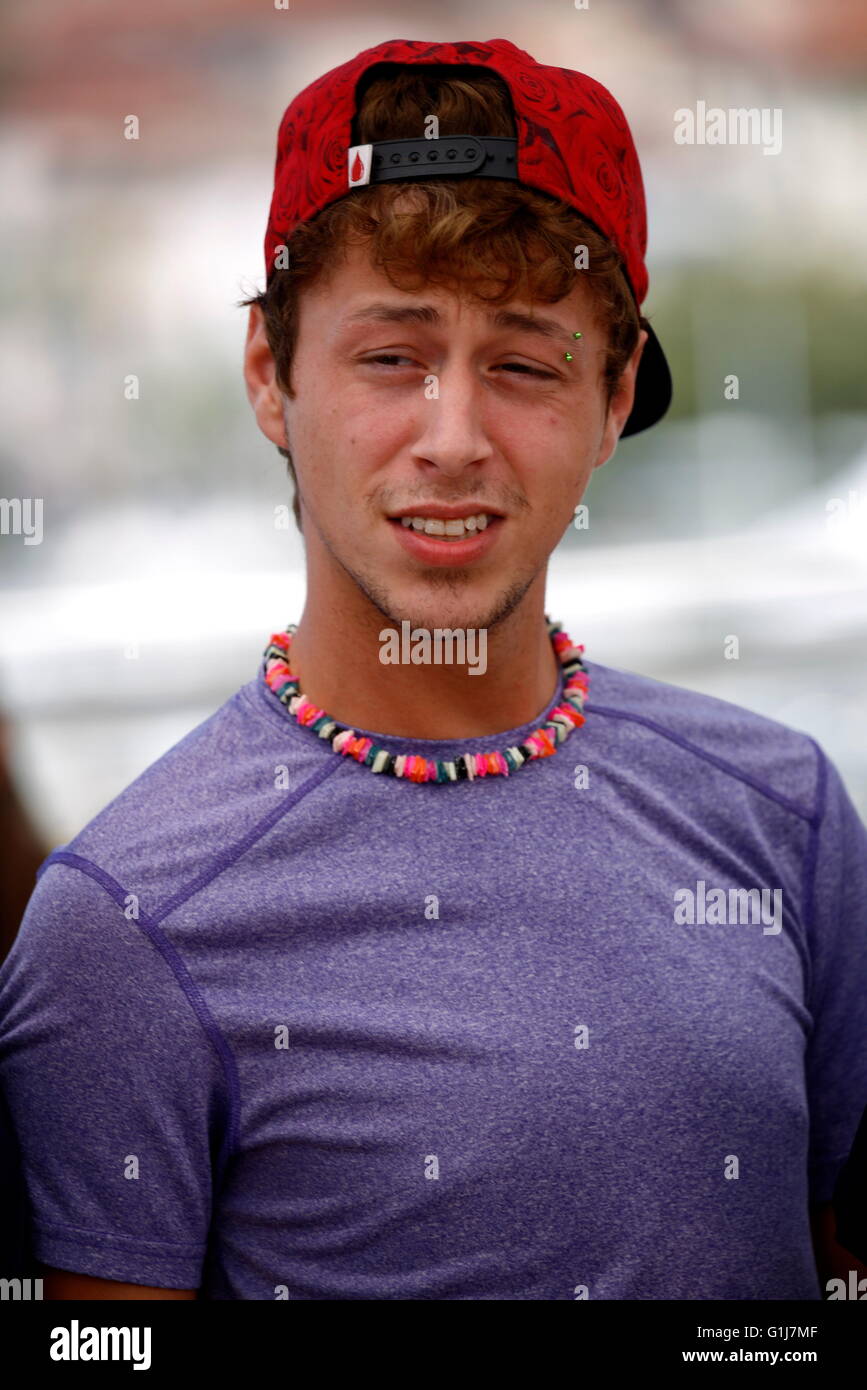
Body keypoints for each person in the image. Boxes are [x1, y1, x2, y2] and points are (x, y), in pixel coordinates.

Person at [1, 37, 866, 1302]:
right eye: (390, 357)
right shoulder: (122, 925)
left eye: (525, 364)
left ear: (618, 394)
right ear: (269, 377)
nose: (453, 439)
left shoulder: (783, 809)